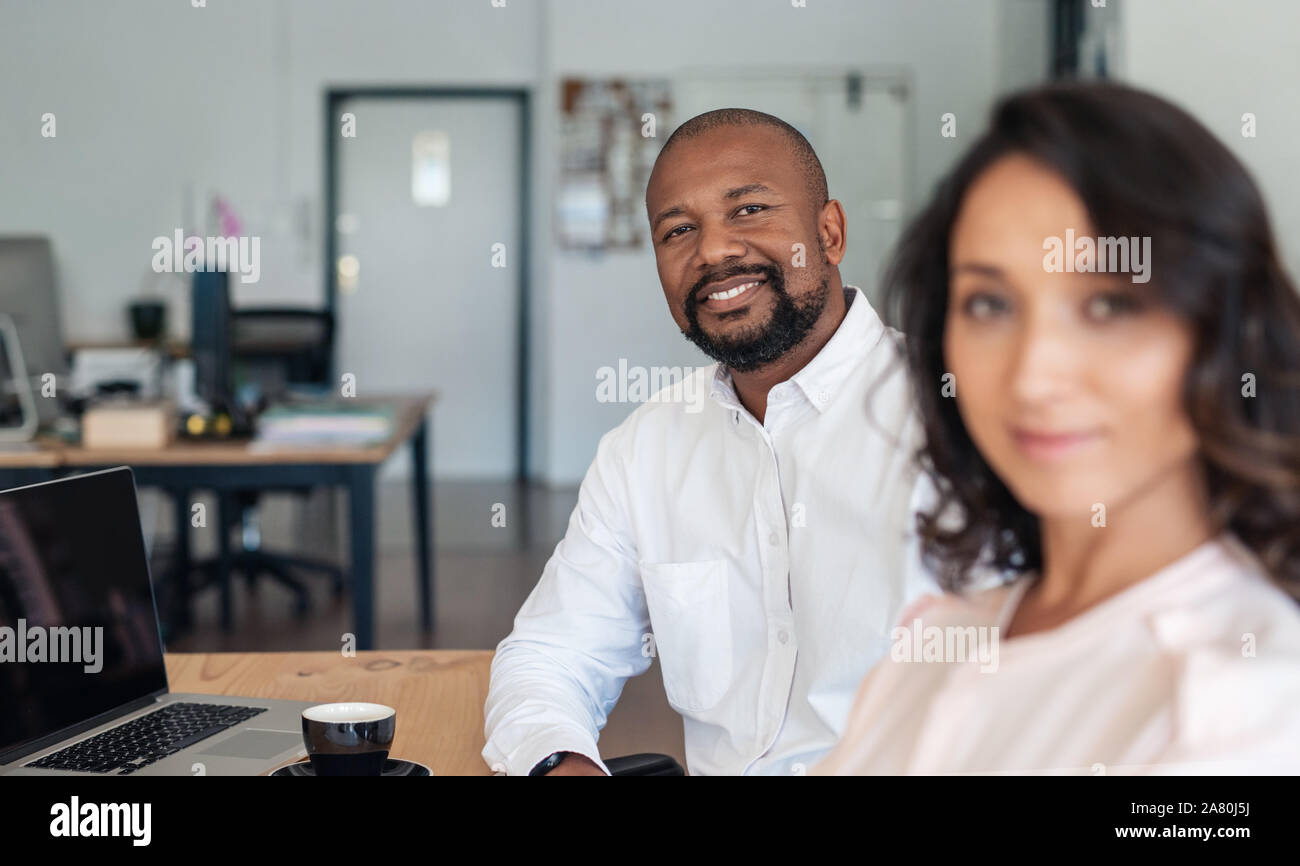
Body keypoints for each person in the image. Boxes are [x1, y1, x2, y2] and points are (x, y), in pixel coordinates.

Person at [815, 81, 1300, 775]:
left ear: (1225, 332)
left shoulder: (1247, 703)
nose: (1033, 376)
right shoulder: (939, 640)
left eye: (1107, 305)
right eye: (988, 303)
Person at [483, 109, 932, 775]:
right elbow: (551, 654)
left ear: (829, 233)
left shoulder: (964, 418)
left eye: (748, 209)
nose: (714, 250)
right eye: (678, 230)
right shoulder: (646, 450)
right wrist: (561, 762)